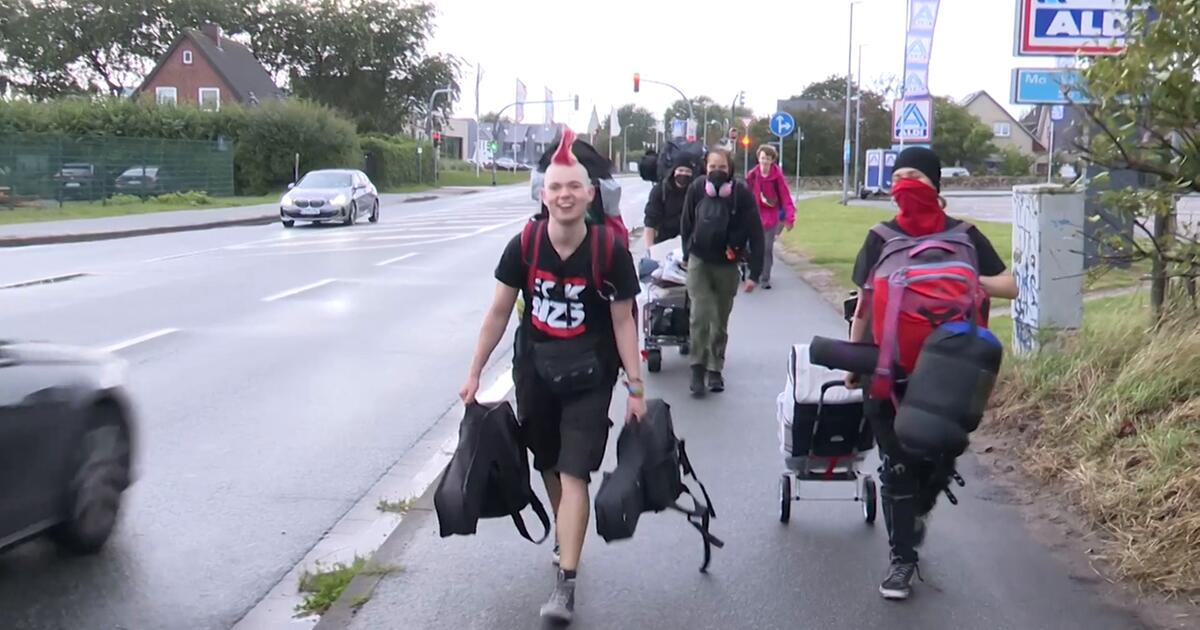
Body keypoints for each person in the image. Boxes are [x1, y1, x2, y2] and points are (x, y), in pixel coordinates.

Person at [459, 128, 646, 624]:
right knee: (549, 463)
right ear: (544, 193)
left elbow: (625, 321)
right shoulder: (523, 244)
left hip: (590, 373)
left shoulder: (610, 251)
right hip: (536, 372)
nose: (565, 195)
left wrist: (636, 386)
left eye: (574, 187)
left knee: (574, 470)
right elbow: (498, 313)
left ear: (590, 194)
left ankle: (566, 581)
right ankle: (569, 537)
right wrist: (474, 373)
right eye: (556, 187)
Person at [845, 146, 1018, 601]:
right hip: (889, 368)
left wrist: (967, 279)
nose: (904, 183)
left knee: (935, 460)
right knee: (897, 464)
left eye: (914, 176)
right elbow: (863, 303)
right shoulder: (880, 235)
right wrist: (853, 357)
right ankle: (903, 559)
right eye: (898, 174)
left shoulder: (965, 236)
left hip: (950, 374)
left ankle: (915, 511)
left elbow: (1010, 286)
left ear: (935, 186)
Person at [679, 147, 765, 396]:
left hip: (727, 265)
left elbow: (756, 234)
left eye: (722, 167)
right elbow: (686, 223)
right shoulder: (696, 189)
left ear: (730, 169)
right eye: (712, 167)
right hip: (700, 262)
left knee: (720, 319)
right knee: (700, 314)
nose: (717, 172)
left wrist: (754, 274)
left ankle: (715, 369)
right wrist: (686, 254)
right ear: (705, 168)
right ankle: (697, 369)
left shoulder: (741, 195)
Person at [743, 144, 796, 289]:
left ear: (772, 160)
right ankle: (753, 271)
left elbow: (786, 198)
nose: (764, 161)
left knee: (766, 248)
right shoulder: (752, 176)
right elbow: (745, 195)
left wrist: (789, 218)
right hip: (754, 216)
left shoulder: (777, 177)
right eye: (762, 158)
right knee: (750, 247)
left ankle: (765, 278)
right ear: (758, 159)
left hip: (771, 217)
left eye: (767, 159)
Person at [643, 155, 701, 250]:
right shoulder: (660, 191)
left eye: (687, 171)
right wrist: (649, 250)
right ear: (674, 171)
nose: (683, 174)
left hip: (689, 243)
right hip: (663, 242)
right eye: (680, 170)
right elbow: (650, 223)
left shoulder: (696, 192)